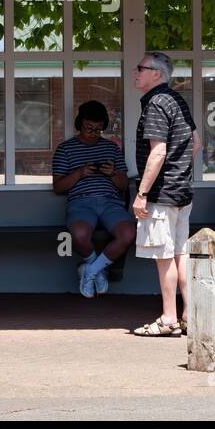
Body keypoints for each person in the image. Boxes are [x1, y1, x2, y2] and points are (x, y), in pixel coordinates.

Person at [130, 52, 201, 337]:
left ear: (156, 74)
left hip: (161, 193)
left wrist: (142, 192)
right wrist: (179, 167)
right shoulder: (176, 100)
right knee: (180, 254)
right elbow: (196, 142)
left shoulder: (156, 104)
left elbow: (157, 151)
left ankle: (169, 317)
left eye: (140, 68)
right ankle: (190, 315)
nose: (135, 72)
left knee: (164, 257)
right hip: (182, 191)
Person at [51, 101, 135, 298]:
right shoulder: (65, 149)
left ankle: (91, 269)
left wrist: (112, 173)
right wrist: (80, 173)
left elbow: (123, 185)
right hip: (81, 201)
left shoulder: (111, 148)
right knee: (79, 235)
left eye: (98, 129)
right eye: (89, 128)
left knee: (129, 233)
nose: (94, 132)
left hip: (110, 201)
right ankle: (97, 269)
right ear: (79, 124)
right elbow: (58, 187)